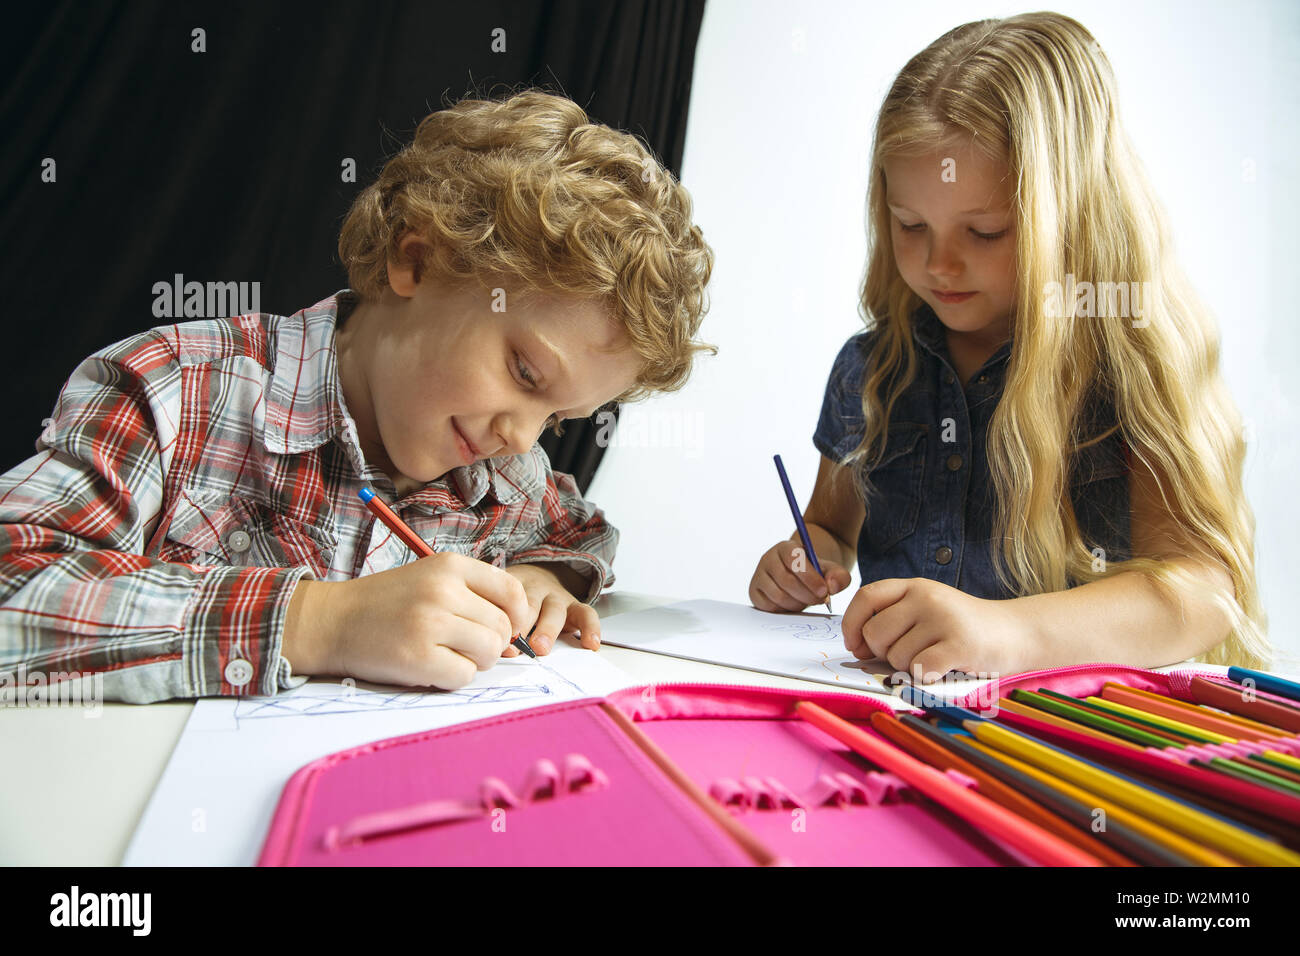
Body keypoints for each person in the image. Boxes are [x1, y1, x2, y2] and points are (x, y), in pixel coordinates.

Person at [0, 90, 714, 702]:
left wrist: (545, 576)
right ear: (418, 260)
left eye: (557, 418)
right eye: (526, 374)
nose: (524, 438)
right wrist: (321, 622)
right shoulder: (173, 389)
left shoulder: (503, 475)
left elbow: (579, 533)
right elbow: (13, 589)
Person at [748, 12, 1267, 681]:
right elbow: (828, 528)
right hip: (891, 718)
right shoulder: (871, 369)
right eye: (910, 225)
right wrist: (802, 561)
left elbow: (1202, 591)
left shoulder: (1130, 368)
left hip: (1068, 736)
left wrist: (1004, 633)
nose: (940, 265)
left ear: (1071, 217)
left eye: (985, 232)